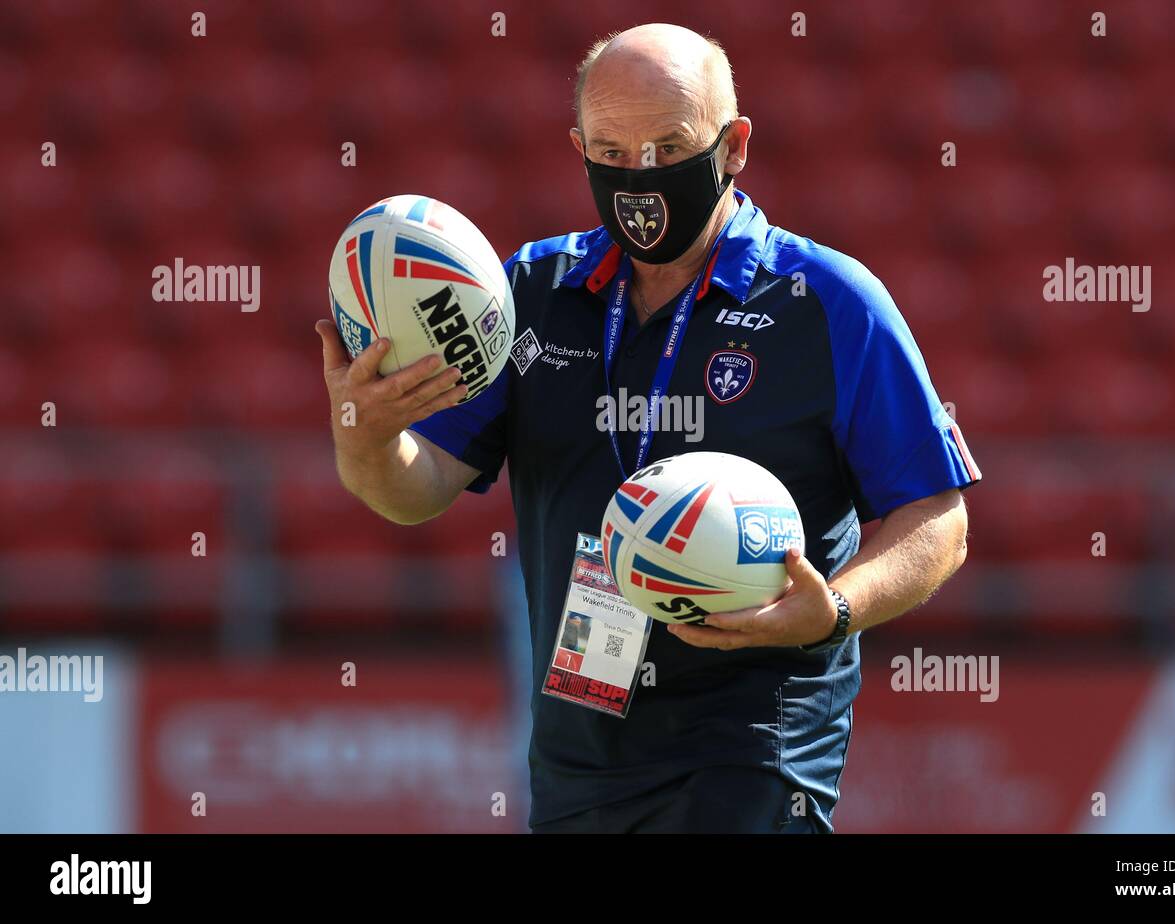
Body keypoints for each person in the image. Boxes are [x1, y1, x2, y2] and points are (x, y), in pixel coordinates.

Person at [314, 23, 980, 833]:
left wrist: (833, 609)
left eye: (669, 147)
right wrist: (366, 432)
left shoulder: (830, 303)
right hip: (578, 759)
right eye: (613, 152)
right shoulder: (528, 292)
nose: (641, 177)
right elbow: (414, 493)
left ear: (734, 147)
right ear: (578, 147)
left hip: (754, 757)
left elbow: (939, 521)